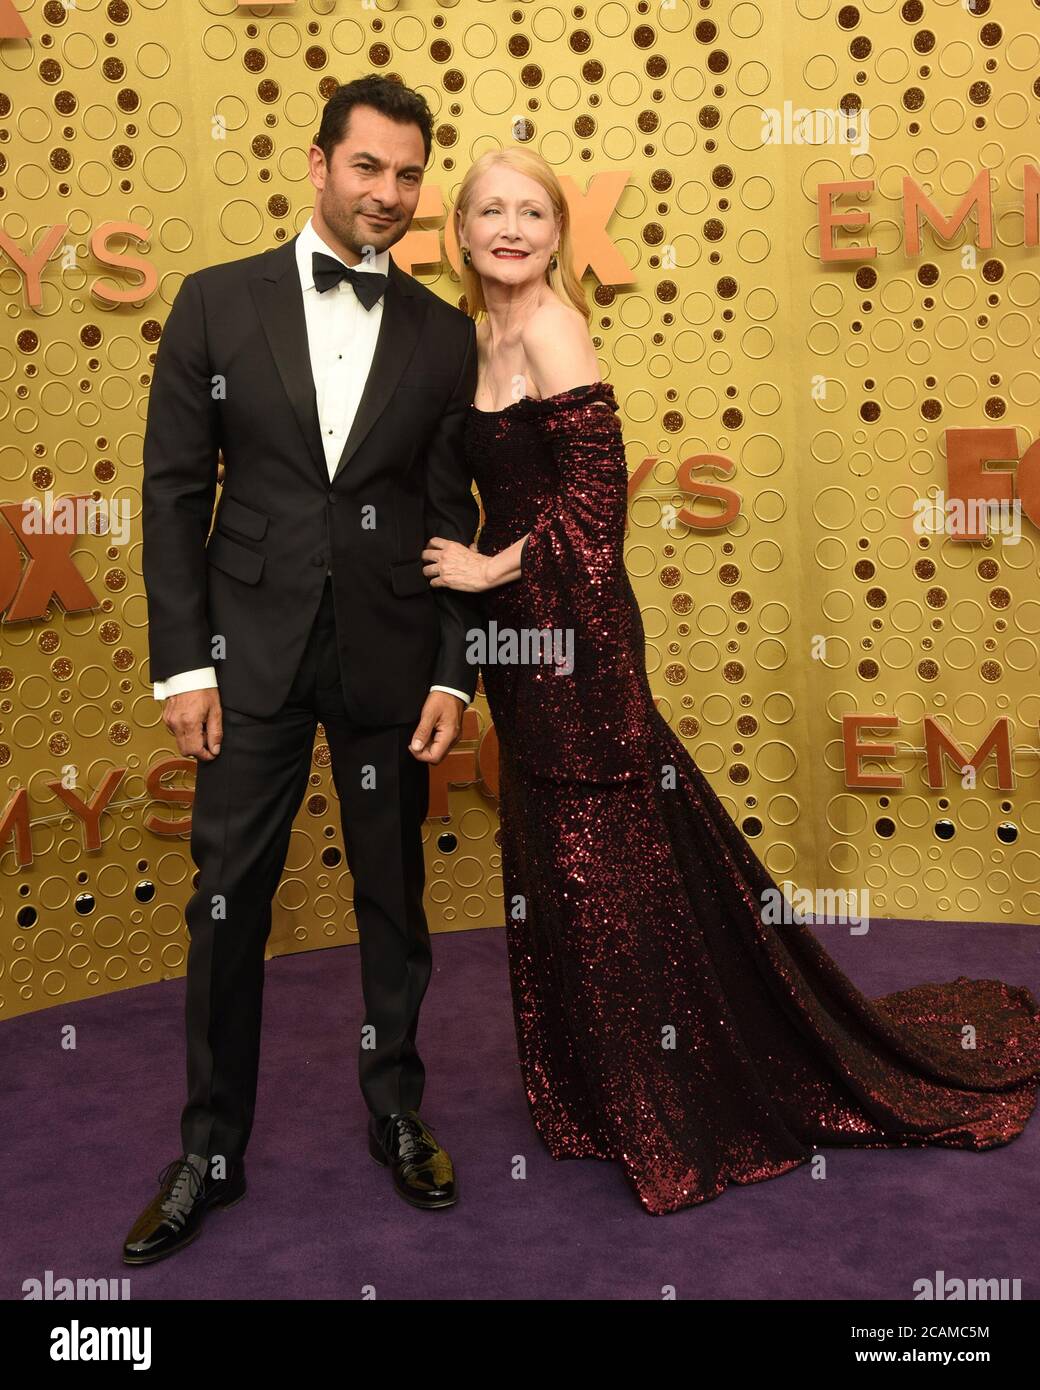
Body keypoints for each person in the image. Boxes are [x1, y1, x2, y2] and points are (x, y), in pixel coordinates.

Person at [422, 147, 1040, 1215]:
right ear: (462, 232)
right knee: (572, 863)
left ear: (558, 233)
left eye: (531, 210)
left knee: (602, 873)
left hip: (575, 639)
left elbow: (591, 511)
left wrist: (487, 564)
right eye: (491, 210)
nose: (511, 227)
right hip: (516, 651)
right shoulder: (476, 333)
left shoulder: (556, 329)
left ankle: (675, 1099)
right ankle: (604, 1091)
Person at [125, 75, 480, 1264]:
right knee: (227, 906)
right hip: (247, 659)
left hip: (387, 661)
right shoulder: (216, 305)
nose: (388, 192)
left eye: (408, 174)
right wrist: (183, 668)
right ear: (318, 162)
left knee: (393, 900)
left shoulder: (442, 333)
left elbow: (451, 517)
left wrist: (452, 674)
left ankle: (397, 1114)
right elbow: (174, 496)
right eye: (367, 166)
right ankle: (210, 1152)